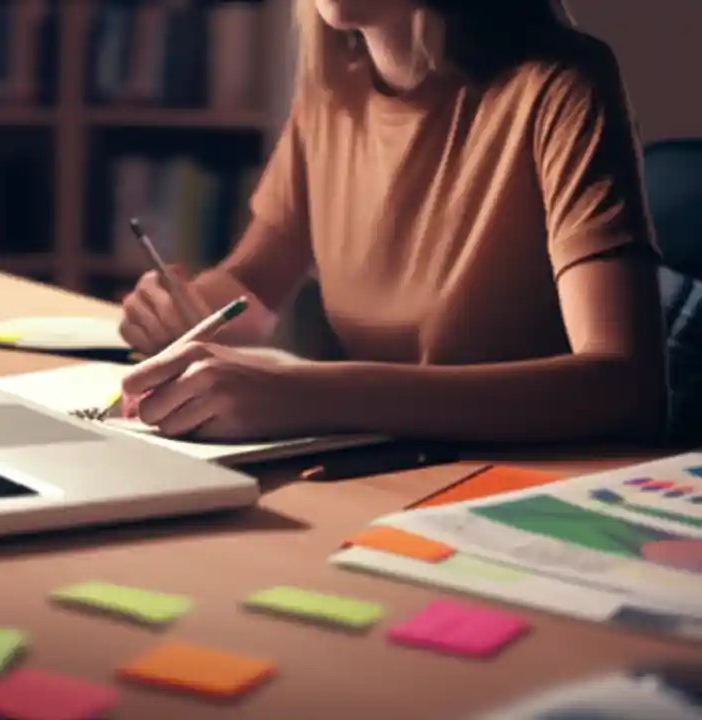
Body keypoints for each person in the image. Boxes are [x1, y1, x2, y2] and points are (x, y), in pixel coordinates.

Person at [118, 0, 665, 443]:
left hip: (526, 492)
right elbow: (251, 288)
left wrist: (308, 394)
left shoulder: (561, 87)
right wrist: (182, 312)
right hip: (388, 473)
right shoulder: (332, 96)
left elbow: (624, 386)